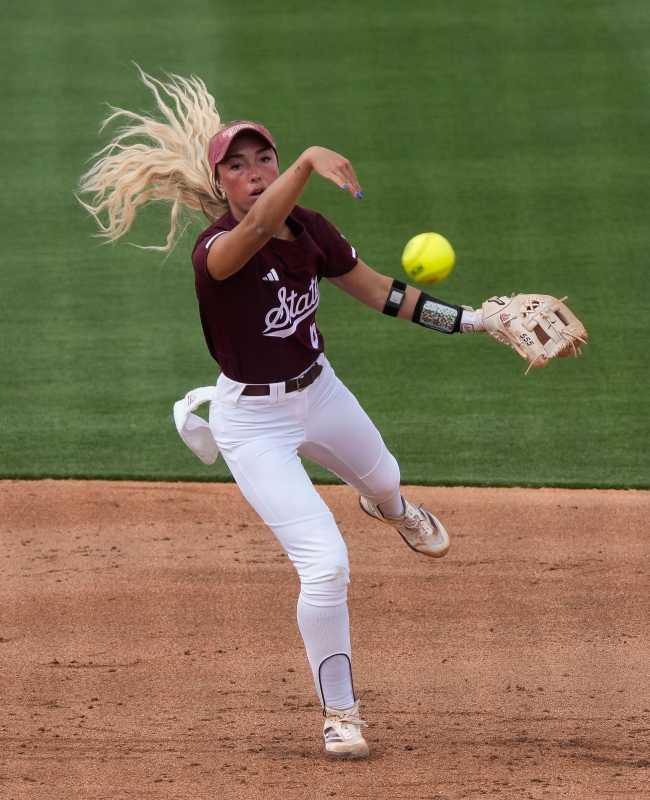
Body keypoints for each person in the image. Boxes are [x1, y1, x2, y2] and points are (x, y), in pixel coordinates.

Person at [79, 67, 489, 760]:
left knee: (386, 482)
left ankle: (389, 508)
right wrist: (306, 161)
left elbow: (386, 293)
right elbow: (263, 222)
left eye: (264, 156)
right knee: (325, 565)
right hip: (254, 425)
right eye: (238, 166)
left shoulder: (311, 230)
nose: (256, 172)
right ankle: (341, 715)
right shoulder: (215, 252)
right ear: (221, 187)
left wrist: (478, 321)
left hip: (319, 392)